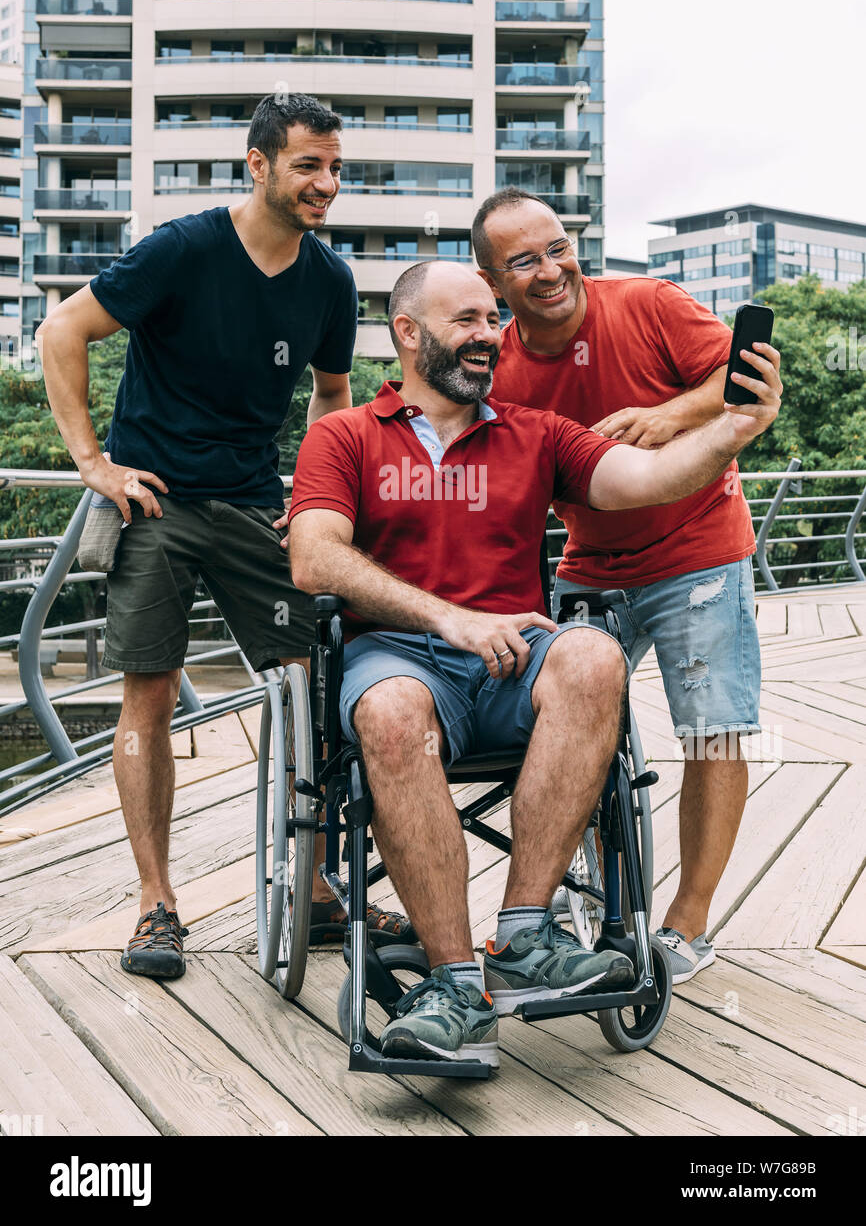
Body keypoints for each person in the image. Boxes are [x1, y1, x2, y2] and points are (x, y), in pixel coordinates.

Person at [287, 260, 781, 1065]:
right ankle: (451, 982)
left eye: (493, 320)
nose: (490, 335)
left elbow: (647, 476)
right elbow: (314, 559)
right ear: (407, 333)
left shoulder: (534, 431)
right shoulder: (343, 436)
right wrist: (449, 617)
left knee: (591, 654)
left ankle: (523, 935)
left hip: (512, 661)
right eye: (468, 320)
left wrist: (735, 427)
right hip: (400, 661)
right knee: (388, 710)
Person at [36, 93, 413, 980]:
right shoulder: (184, 248)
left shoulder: (327, 280)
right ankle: (157, 906)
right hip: (155, 505)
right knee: (150, 697)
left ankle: (317, 892)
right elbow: (63, 330)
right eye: (308, 166)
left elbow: (331, 396)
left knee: (311, 688)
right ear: (258, 165)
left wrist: (319, 488)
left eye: (335, 167)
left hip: (255, 506)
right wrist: (95, 463)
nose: (327, 183)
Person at [474, 186, 770, 984]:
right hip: (587, 566)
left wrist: (672, 414)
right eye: (523, 260)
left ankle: (689, 923)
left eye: (557, 247)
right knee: (564, 728)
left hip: (700, 547)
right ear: (492, 278)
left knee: (713, 730)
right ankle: (594, 906)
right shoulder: (493, 367)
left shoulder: (648, 303)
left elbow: (741, 380)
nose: (549, 270)